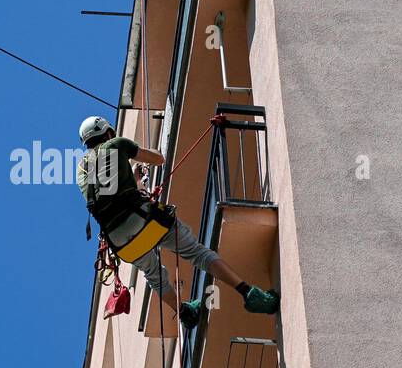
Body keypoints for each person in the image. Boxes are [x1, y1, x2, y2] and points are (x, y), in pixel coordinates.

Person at [76, 115, 279, 328]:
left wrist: (134, 180)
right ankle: (248, 293)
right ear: (108, 133)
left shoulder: (81, 171)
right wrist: (137, 160)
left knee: (154, 276)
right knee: (196, 252)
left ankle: (184, 312)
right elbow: (158, 159)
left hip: (120, 241)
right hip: (144, 220)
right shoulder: (116, 144)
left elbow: (114, 198)